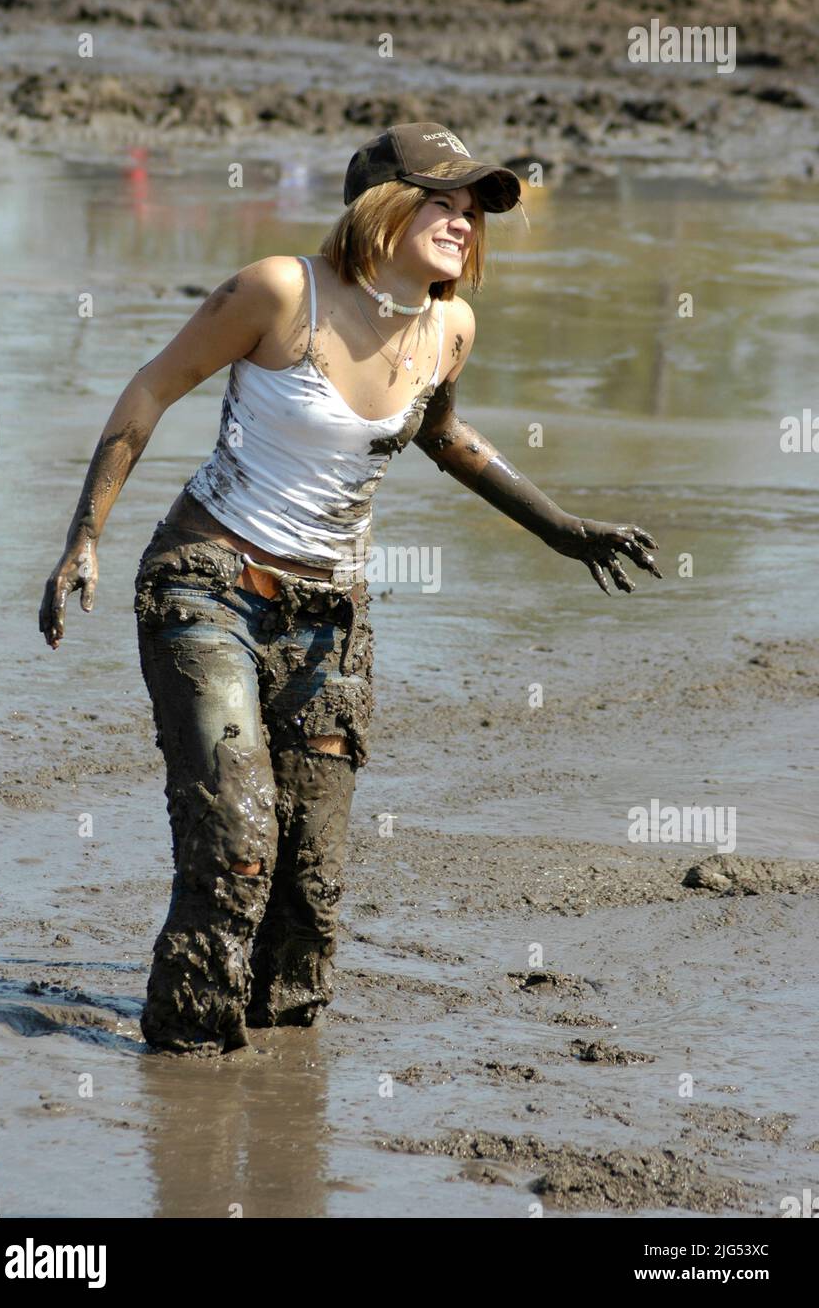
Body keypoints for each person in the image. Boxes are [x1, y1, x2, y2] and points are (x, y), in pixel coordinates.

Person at [39, 122, 661, 1058]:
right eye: (440, 201)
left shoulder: (449, 326)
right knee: (235, 839)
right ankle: (186, 1069)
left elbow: (445, 438)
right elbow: (150, 388)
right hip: (208, 586)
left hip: (332, 619)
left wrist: (562, 528)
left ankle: (284, 1075)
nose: (461, 222)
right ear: (381, 206)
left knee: (309, 890)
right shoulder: (280, 291)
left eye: (472, 210)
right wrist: (83, 538)